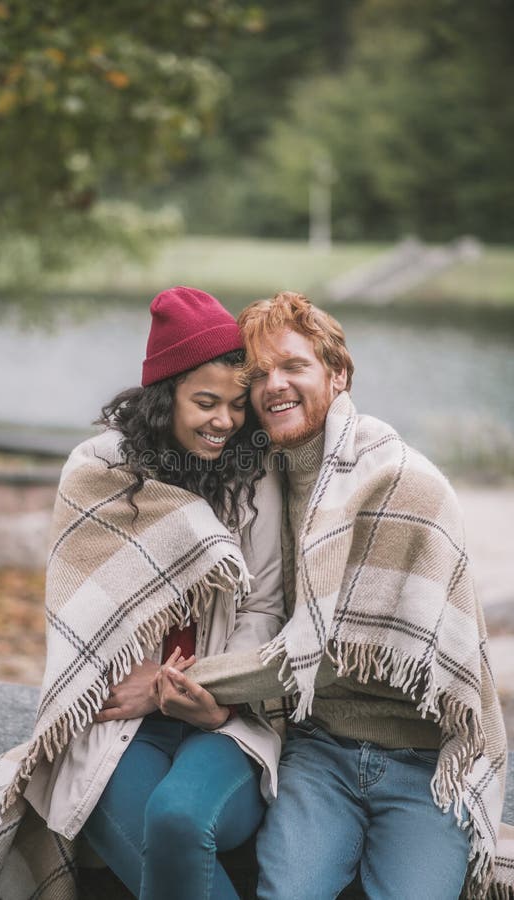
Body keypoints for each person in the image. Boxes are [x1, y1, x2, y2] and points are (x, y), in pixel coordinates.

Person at [0, 286, 285, 900]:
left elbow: (265, 606)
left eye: (237, 404)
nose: (225, 420)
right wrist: (143, 689)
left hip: (226, 717)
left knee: (179, 819)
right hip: (112, 720)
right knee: (163, 835)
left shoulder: (254, 476)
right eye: (205, 402)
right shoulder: (99, 471)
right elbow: (78, 613)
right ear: (164, 399)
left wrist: (202, 693)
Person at [156, 290, 513, 900]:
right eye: (260, 373)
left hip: (424, 764)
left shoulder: (395, 481)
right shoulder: (267, 475)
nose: (274, 384)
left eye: (293, 365)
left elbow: (327, 650)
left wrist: (190, 683)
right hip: (320, 750)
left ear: (339, 375)